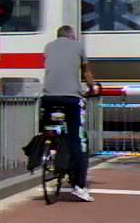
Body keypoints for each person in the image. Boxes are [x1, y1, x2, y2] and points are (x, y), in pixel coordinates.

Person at [42, 25, 98, 201]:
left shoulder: (48, 47)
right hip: (70, 100)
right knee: (79, 141)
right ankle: (79, 186)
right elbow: (86, 73)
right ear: (72, 36)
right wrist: (93, 87)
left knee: (50, 128)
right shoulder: (78, 46)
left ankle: (51, 146)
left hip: (48, 99)